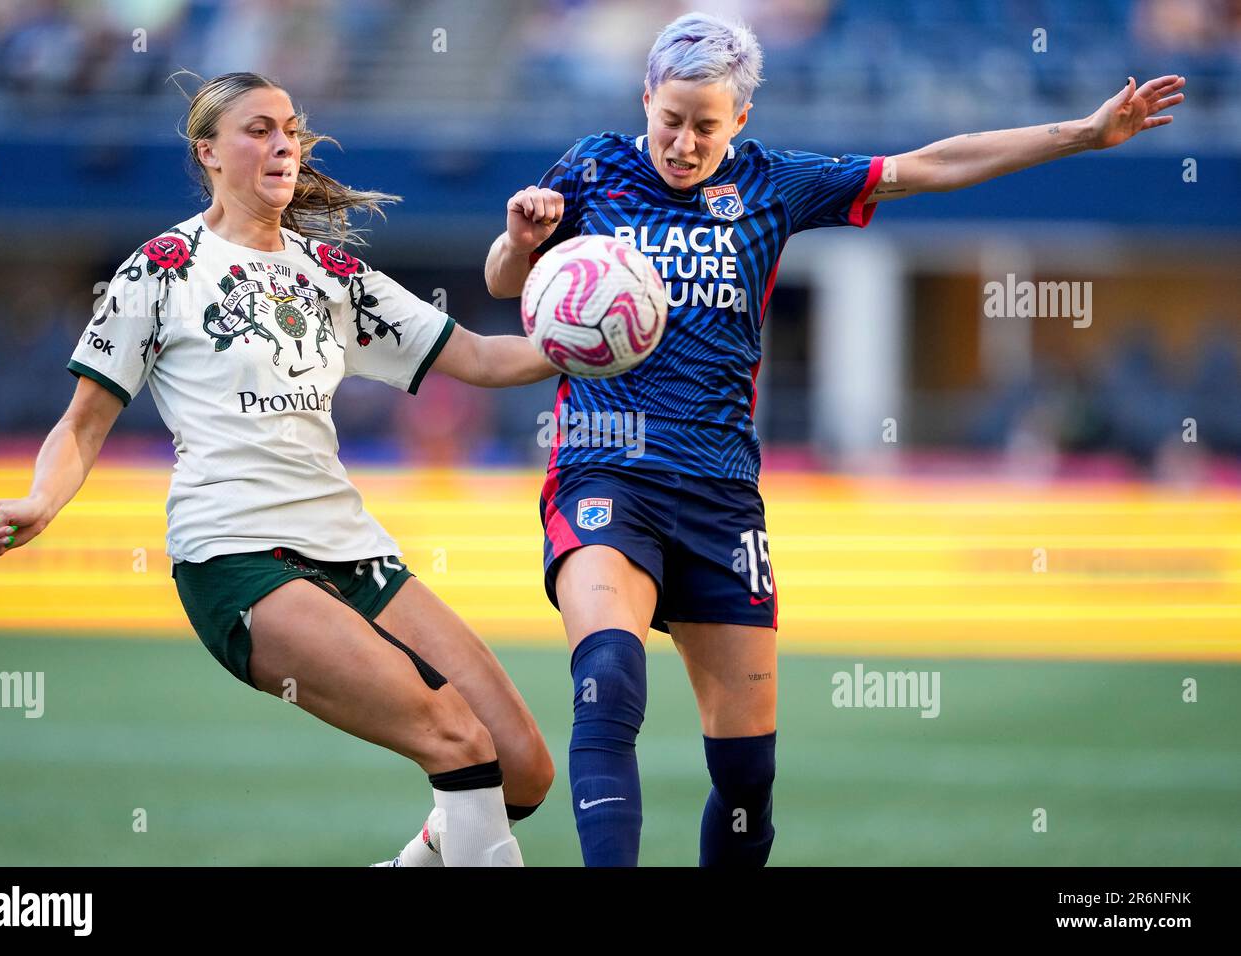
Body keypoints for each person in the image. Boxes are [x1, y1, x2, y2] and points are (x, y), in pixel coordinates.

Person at [476, 12, 1183, 866]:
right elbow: (507, 280)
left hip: (719, 495)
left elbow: (926, 166)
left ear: (741, 120)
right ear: (645, 100)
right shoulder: (592, 168)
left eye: (707, 125)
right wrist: (519, 240)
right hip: (604, 471)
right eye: (671, 119)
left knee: (746, 780)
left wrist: (1081, 133)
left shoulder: (776, 183)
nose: (685, 142)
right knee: (609, 683)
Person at [0, 71, 558, 867]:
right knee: (456, 740)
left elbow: (480, 355)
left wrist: (597, 347)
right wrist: (42, 500)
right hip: (236, 557)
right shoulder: (161, 269)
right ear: (207, 152)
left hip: (351, 548)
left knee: (522, 766)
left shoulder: (334, 274)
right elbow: (81, 425)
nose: (284, 144)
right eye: (258, 129)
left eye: (291, 128)